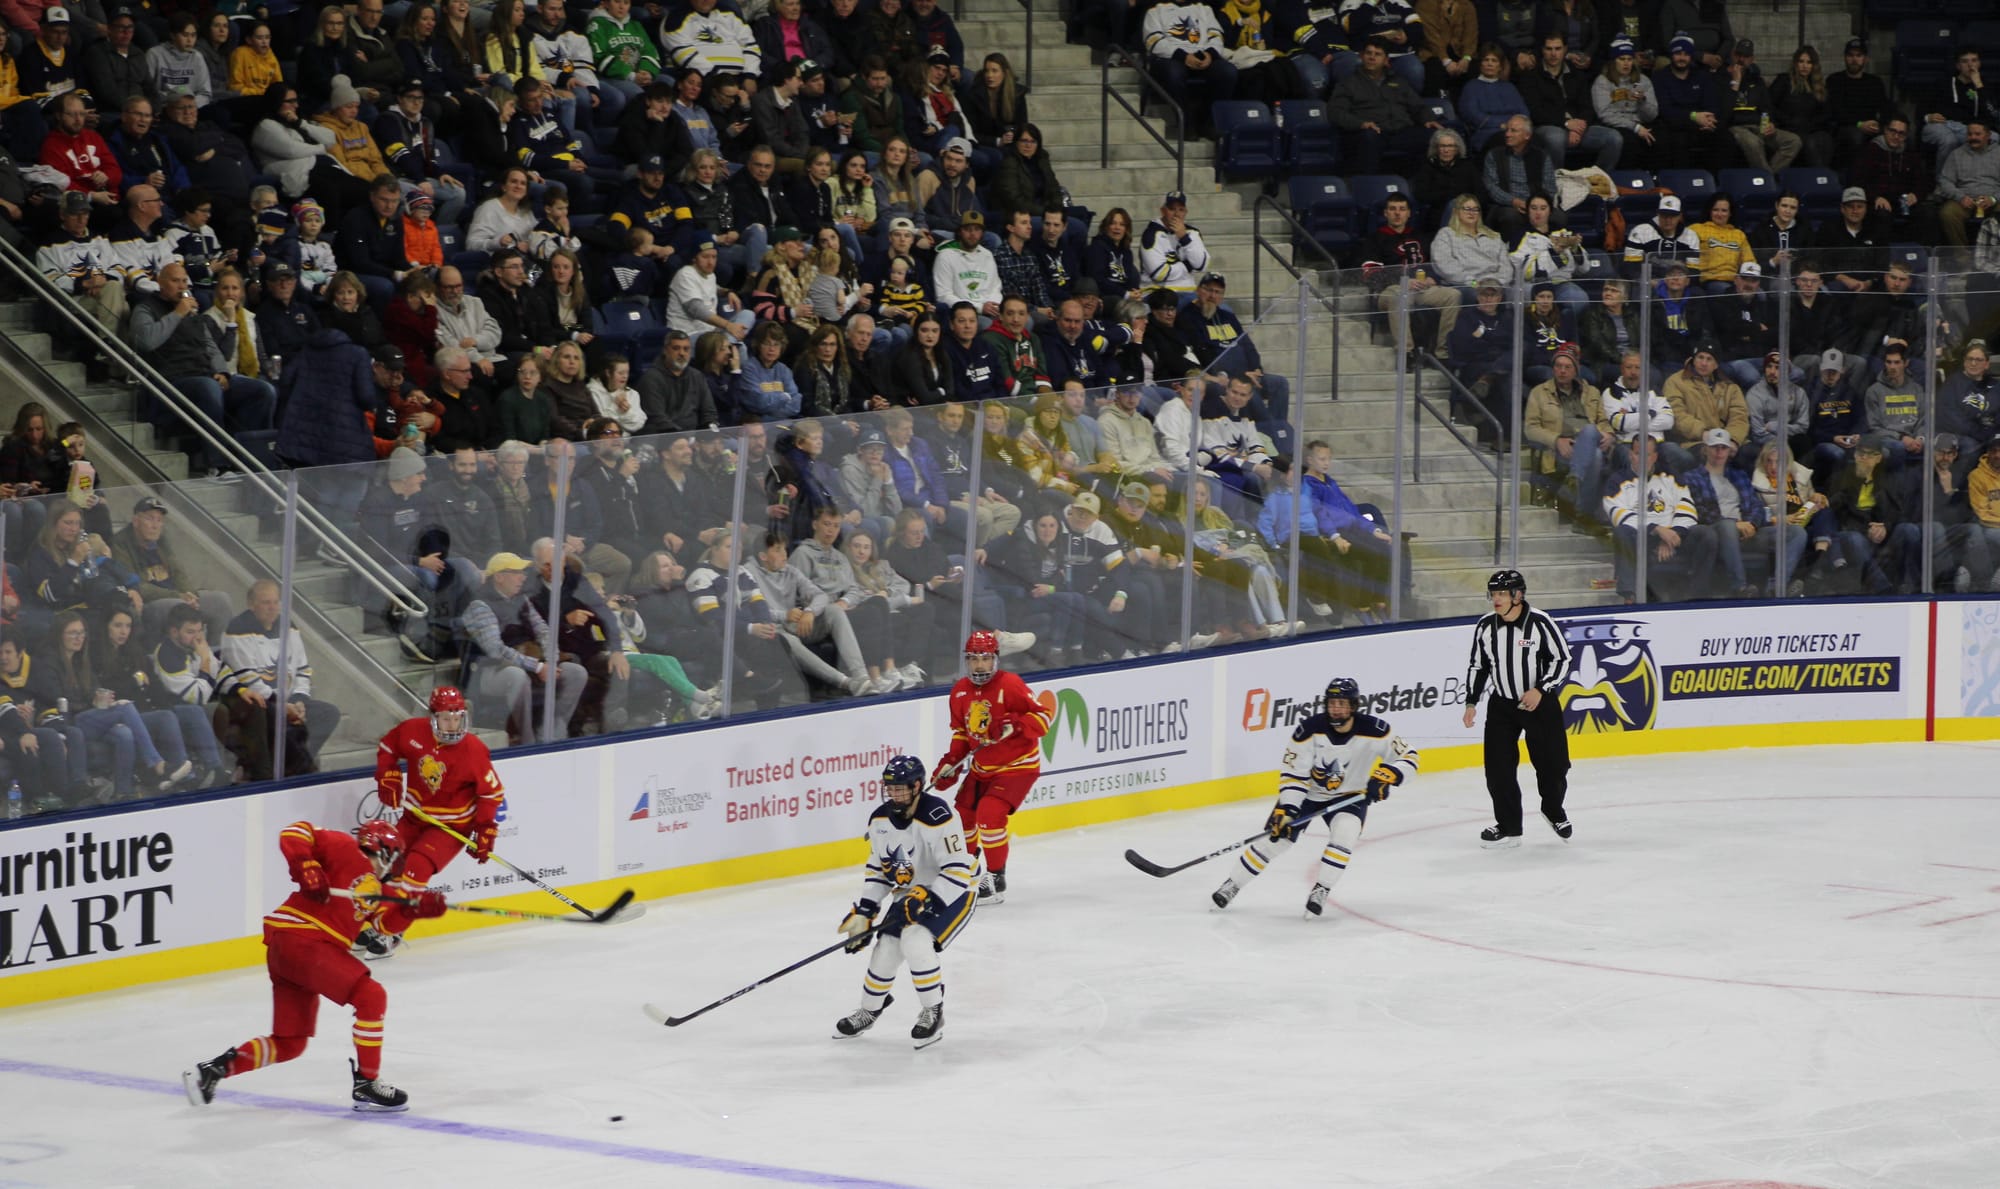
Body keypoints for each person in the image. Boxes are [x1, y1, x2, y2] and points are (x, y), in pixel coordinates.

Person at [181, 819, 445, 1112]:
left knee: (291, 1043)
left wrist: (413, 912)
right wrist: (306, 864)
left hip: (289, 952)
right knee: (371, 996)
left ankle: (211, 1071)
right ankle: (367, 1082)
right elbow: (295, 832)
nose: (392, 867)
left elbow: (384, 924)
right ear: (385, 851)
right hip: (304, 940)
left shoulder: (375, 890)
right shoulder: (345, 848)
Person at [1211, 676, 1419, 916]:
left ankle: (1322, 888)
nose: (1336, 709)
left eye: (1342, 704)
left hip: (1350, 797)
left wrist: (1389, 774)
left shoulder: (1376, 730)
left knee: (1345, 835)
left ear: (1353, 706)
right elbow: (1294, 774)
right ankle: (1233, 884)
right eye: (1332, 703)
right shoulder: (1308, 731)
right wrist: (1287, 809)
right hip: (1308, 796)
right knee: (1275, 840)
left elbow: (1410, 758)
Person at [832, 753, 977, 1048]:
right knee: (885, 948)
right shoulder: (880, 820)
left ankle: (933, 1011)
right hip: (910, 893)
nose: (894, 794)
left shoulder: (939, 817)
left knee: (915, 940)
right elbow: (879, 869)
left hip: (953, 891)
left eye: (901, 788)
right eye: (890, 788)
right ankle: (870, 1010)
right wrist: (866, 911)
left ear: (917, 786)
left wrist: (929, 896)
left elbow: (958, 871)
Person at [368, 686, 502, 950]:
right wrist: (388, 773)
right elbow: (387, 746)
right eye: (446, 718)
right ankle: (382, 922)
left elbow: (491, 793)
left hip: (449, 827)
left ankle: (392, 932)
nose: (452, 725)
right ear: (432, 716)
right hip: (414, 817)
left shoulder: (474, 750)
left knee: (415, 867)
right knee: (391, 868)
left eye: (457, 718)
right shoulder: (412, 731)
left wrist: (485, 828)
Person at [929, 630, 1049, 905]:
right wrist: (951, 764)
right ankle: (967, 872)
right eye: (973, 659)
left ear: (995, 658)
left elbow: (1043, 719)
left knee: (989, 815)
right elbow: (961, 733)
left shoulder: (1011, 684)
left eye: (985, 658)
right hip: (982, 768)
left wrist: (1015, 723)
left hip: (1017, 766)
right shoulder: (959, 691)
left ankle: (996, 879)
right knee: (962, 818)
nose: (979, 665)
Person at [1461, 569, 1573, 847]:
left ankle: (1553, 810)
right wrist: (1471, 702)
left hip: (1539, 703)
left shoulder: (1540, 623)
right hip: (1502, 706)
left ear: (1518, 595)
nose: (1496, 600)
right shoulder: (1486, 626)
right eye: (1493, 594)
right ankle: (1509, 827)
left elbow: (1561, 660)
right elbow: (1478, 665)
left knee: (1554, 765)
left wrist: (1541, 689)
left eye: (1501, 594)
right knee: (1498, 770)